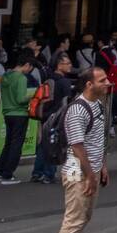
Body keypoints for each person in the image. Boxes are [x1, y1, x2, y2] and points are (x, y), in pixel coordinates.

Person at [50, 66, 111, 233]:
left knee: (84, 216)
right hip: (78, 170)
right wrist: (90, 175)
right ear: (89, 84)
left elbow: (98, 140)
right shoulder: (78, 109)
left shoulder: (98, 105)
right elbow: (77, 145)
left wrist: (101, 166)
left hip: (90, 169)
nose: (108, 83)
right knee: (74, 218)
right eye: (102, 80)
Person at [0, 50, 35, 186]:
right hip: (19, 114)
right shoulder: (21, 78)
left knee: (8, 143)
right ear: (26, 65)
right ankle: (8, 174)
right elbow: (21, 98)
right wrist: (33, 95)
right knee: (16, 145)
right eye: (30, 67)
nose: (29, 70)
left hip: (7, 113)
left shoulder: (5, 76)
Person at [31, 51, 75, 184]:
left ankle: (37, 173)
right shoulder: (64, 82)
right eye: (67, 63)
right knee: (54, 146)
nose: (70, 66)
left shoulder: (48, 79)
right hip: (57, 117)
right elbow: (67, 102)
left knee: (43, 145)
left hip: (45, 116)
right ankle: (48, 174)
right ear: (59, 65)